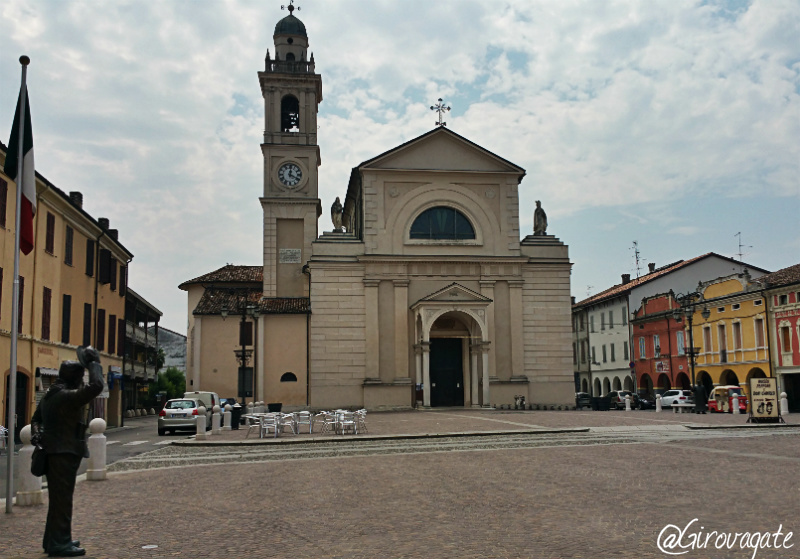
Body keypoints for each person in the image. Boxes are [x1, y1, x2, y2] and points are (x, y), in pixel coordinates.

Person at [30, 346, 104, 557]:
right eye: (81, 378)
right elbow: (97, 385)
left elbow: (36, 419)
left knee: (58, 500)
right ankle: (60, 543)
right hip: (64, 451)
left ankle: (53, 539)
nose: (82, 382)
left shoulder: (49, 395)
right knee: (62, 499)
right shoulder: (67, 397)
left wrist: (37, 434)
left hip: (54, 451)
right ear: (74, 380)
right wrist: (94, 363)